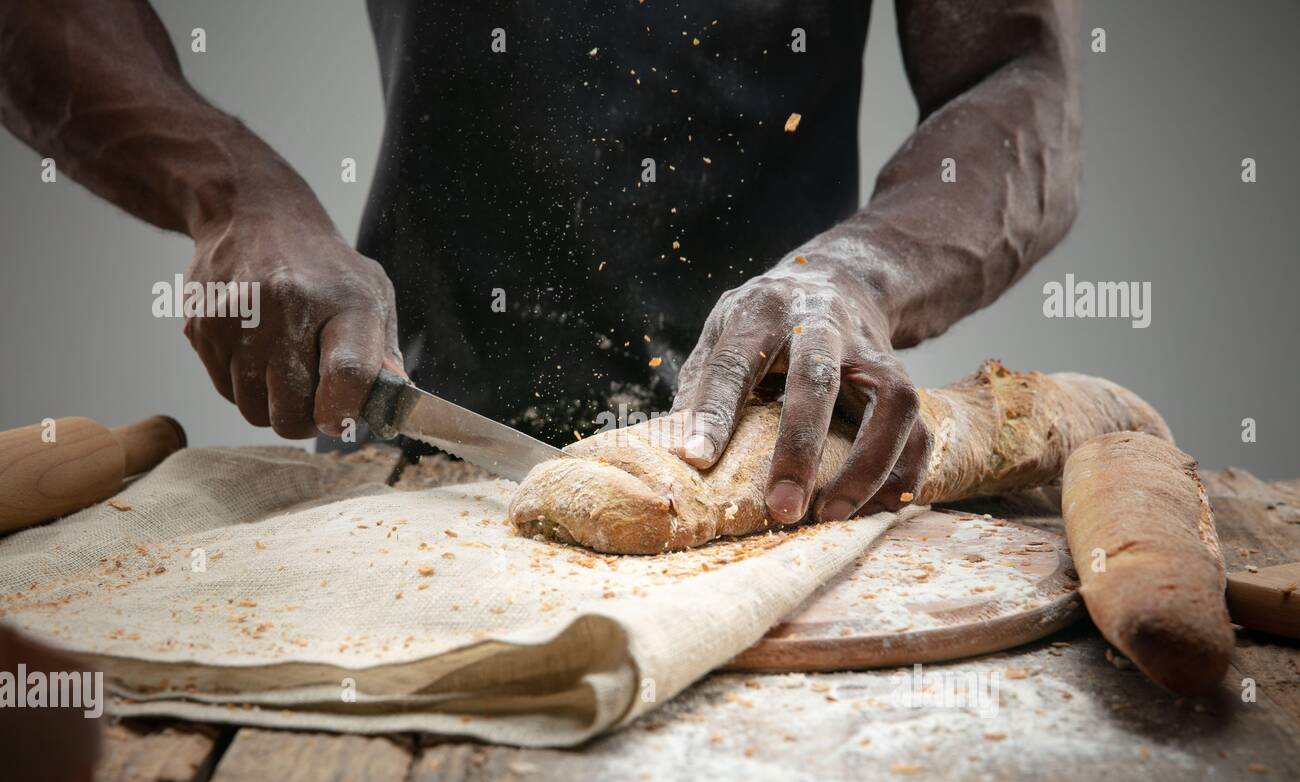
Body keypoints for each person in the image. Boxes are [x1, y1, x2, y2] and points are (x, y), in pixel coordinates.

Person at [0, 0, 1081, 524]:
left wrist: (857, 272)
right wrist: (232, 190)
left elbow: (1018, 79)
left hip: (777, 473)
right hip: (412, 459)